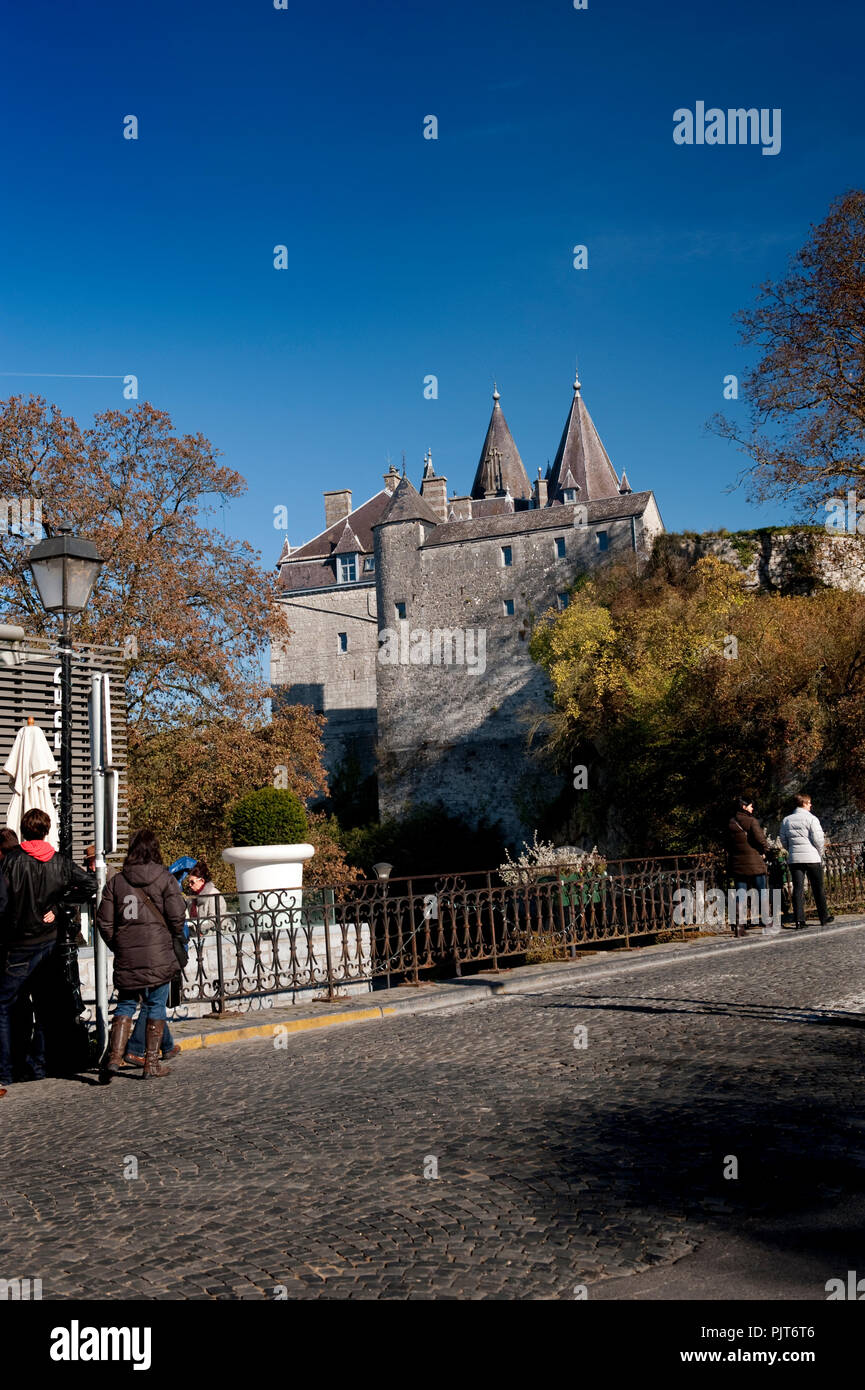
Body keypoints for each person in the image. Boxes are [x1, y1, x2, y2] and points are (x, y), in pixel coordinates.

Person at [0, 809, 96, 1095]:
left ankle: (5, 1071)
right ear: (46, 830)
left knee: (5, 1006)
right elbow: (90, 883)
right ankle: (38, 1064)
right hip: (49, 943)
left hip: (18, 944)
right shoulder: (59, 862)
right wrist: (57, 906)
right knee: (46, 1006)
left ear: (24, 830)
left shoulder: (11, 862)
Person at [97, 828, 186, 1081]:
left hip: (127, 955)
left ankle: (115, 1057)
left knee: (125, 1003)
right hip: (159, 954)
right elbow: (177, 916)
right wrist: (170, 936)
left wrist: (119, 944)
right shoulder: (165, 878)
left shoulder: (117, 881)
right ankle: (151, 1063)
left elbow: (103, 921)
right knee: (155, 1004)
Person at [779, 793, 835, 931]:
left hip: (795, 859)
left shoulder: (786, 820)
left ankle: (799, 920)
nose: (811, 805)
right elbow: (818, 839)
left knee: (797, 889)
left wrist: (791, 849)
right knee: (818, 888)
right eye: (809, 803)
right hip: (811, 857)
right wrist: (819, 851)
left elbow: (783, 839)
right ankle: (823, 917)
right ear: (804, 803)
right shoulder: (811, 819)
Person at [724, 795, 771, 934]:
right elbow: (760, 839)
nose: (752, 808)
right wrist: (766, 850)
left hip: (738, 863)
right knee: (762, 891)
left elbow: (727, 844)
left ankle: (739, 926)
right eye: (750, 806)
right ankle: (766, 921)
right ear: (744, 807)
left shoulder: (731, 823)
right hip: (754, 862)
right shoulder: (752, 821)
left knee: (740, 894)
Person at [186, 861, 228, 928]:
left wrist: (194, 927)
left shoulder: (214, 895)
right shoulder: (192, 897)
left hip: (212, 935)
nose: (190, 885)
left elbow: (214, 921)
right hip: (196, 935)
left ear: (202, 881)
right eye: (189, 882)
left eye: (192, 882)